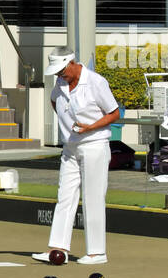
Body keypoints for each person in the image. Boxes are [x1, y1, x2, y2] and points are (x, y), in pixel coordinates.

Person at [34, 46, 122, 266]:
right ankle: (58, 249)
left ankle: (97, 252)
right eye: (56, 71)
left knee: (92, 197)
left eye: (61, 70)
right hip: (70, 147)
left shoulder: (96, 82)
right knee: (65, 196)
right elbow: (55, 101)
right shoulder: (60, 83)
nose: (59, 74)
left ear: (72, 62)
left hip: (94, 145)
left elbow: (114, 113)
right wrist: (67, 126)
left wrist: (90, 127)